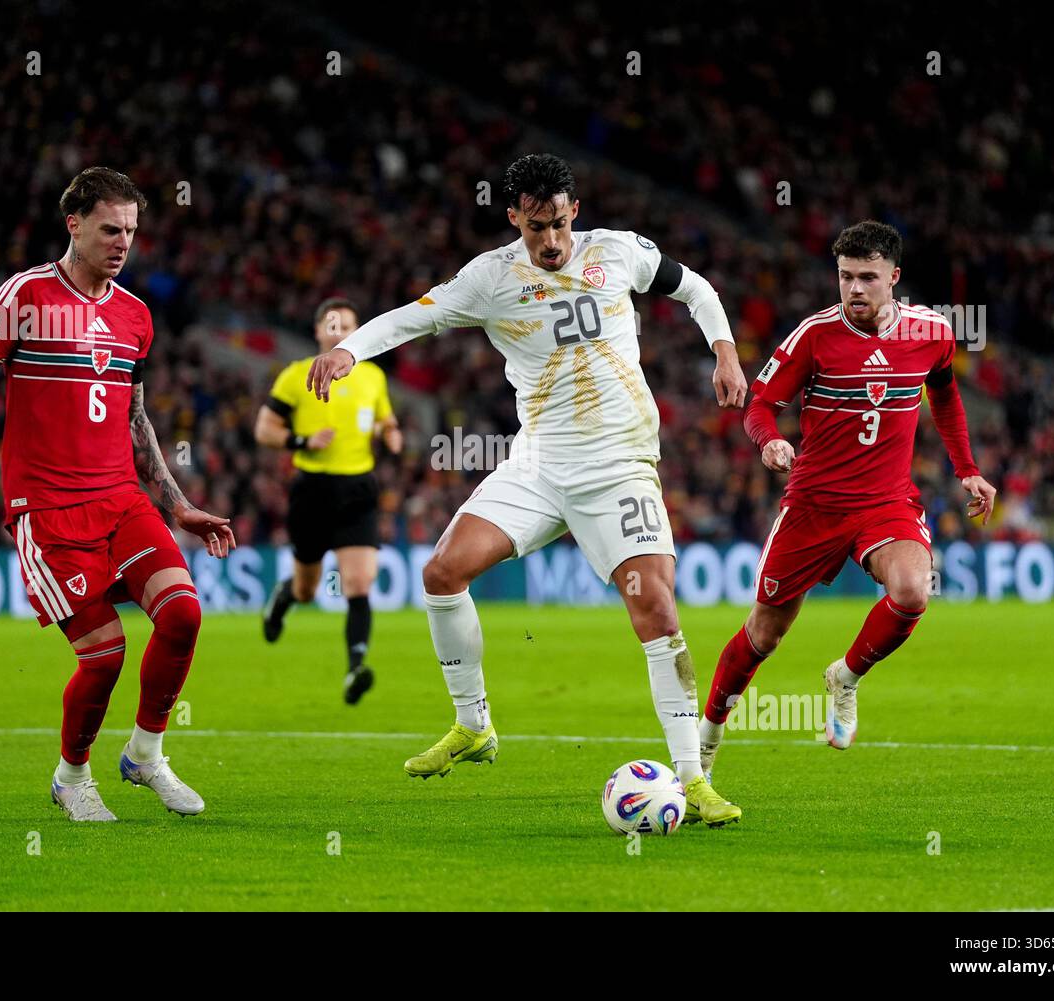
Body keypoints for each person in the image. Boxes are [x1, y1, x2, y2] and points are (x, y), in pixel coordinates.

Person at [306, 153, 748, 827]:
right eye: (537, 225)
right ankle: (473, 723)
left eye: (561, 222)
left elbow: (697, 289)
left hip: (619, 464)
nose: (550, 239)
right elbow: (413, 316)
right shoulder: (491, 277)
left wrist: (723, 349)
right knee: (441, 572)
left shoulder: (617, 253)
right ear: (514, 216)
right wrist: (351, 350)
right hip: (539, 464)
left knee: (656, 609)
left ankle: (693, 778)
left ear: (576, 211)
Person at [0, 167, 236, 822]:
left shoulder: (136, 316)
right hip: (46, 510)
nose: (122, 242)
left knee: (184, 614)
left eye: (131, 230)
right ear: (73, 224)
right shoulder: (25, 296)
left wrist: (177, 502)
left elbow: (135, 418)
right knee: (104, 654)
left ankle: (145, 754)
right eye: (110, 229)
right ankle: (72, 774)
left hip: (122, 499)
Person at [700, 220, 996, 806]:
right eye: (844, 276)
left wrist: (966, 468)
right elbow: (762, 404)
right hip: (813, 505)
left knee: (913, 590)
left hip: (886, 502)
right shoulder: (814, 336)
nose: (854, 288)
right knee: (764, 634)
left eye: (867, 277)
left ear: (894, 278)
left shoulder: (932, 332)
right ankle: (703, 744)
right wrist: (769, 442)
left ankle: (846, 676)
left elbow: (945, 393)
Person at [255, 297, 402, 703]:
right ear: (318, 331)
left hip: (358, 489)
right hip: (313, 489)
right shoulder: (295, 375)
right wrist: (301, 441)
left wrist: (392, 434)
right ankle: (286, 596)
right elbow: (264, 429)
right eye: (332, 325)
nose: (339, 332)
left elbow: (386, 421)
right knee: (308, 589)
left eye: (348, 326)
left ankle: (356, 668)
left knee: (358, 583)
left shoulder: (373, 377)